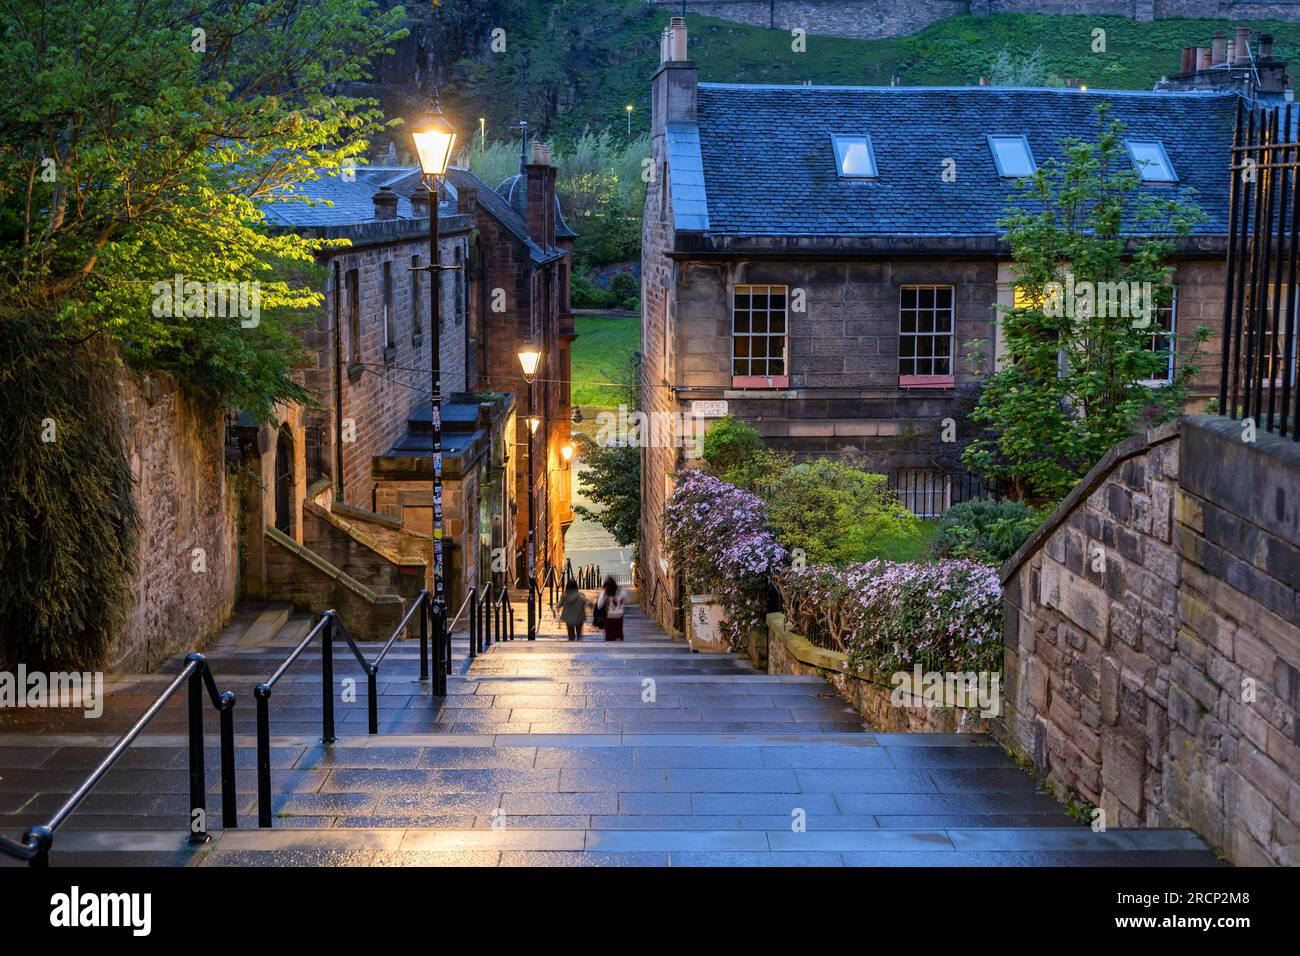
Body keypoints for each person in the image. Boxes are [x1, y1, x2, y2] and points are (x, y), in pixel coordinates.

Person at [596, 576, 626, 642]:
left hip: (609, 616)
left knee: (609, 636)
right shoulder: (620, 591)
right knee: (619, 633)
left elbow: (599, 605)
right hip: (619, 616)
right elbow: (625, 598)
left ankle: (611, 647)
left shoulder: (605, 593)